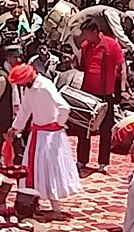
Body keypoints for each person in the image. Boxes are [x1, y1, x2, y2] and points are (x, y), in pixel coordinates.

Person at [6, 63, 81, 215]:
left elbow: (64, 107)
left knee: (51, 169)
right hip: (38, 133)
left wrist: (59, 124)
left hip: (51, 135)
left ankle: (56, 207)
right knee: (35, 168)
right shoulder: (29, 89)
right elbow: (25, 110)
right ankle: (34, 202)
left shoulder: (46, 86)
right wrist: (15, 127)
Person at [75, 18, 125, 173]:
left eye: (86, 33)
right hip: (88, 93)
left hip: (106, 93)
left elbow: (122, 67)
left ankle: (103, 162)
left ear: (95, 32)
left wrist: (122, 89)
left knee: (105, 129)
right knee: (84, 128)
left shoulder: (112, 45)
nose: (83, 36)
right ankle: (81, 160)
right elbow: (82, 66)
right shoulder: (85, 47)